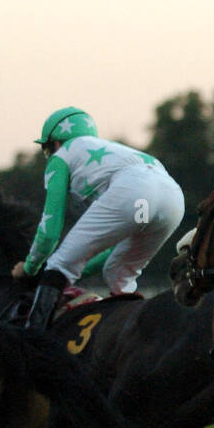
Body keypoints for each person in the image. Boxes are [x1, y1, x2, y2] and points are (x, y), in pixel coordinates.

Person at [15, 107, 185, 331]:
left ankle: (31, 342)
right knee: (118, 274)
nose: (49, 156)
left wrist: (30, 267)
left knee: (59, 263)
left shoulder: (62, 155)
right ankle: (140, 335)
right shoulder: (113, 153)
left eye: (47, 150)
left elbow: (49, 232)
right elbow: (109, 251)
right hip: (173, 197)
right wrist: (73, 271)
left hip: (132, 190)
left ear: (55, 143)